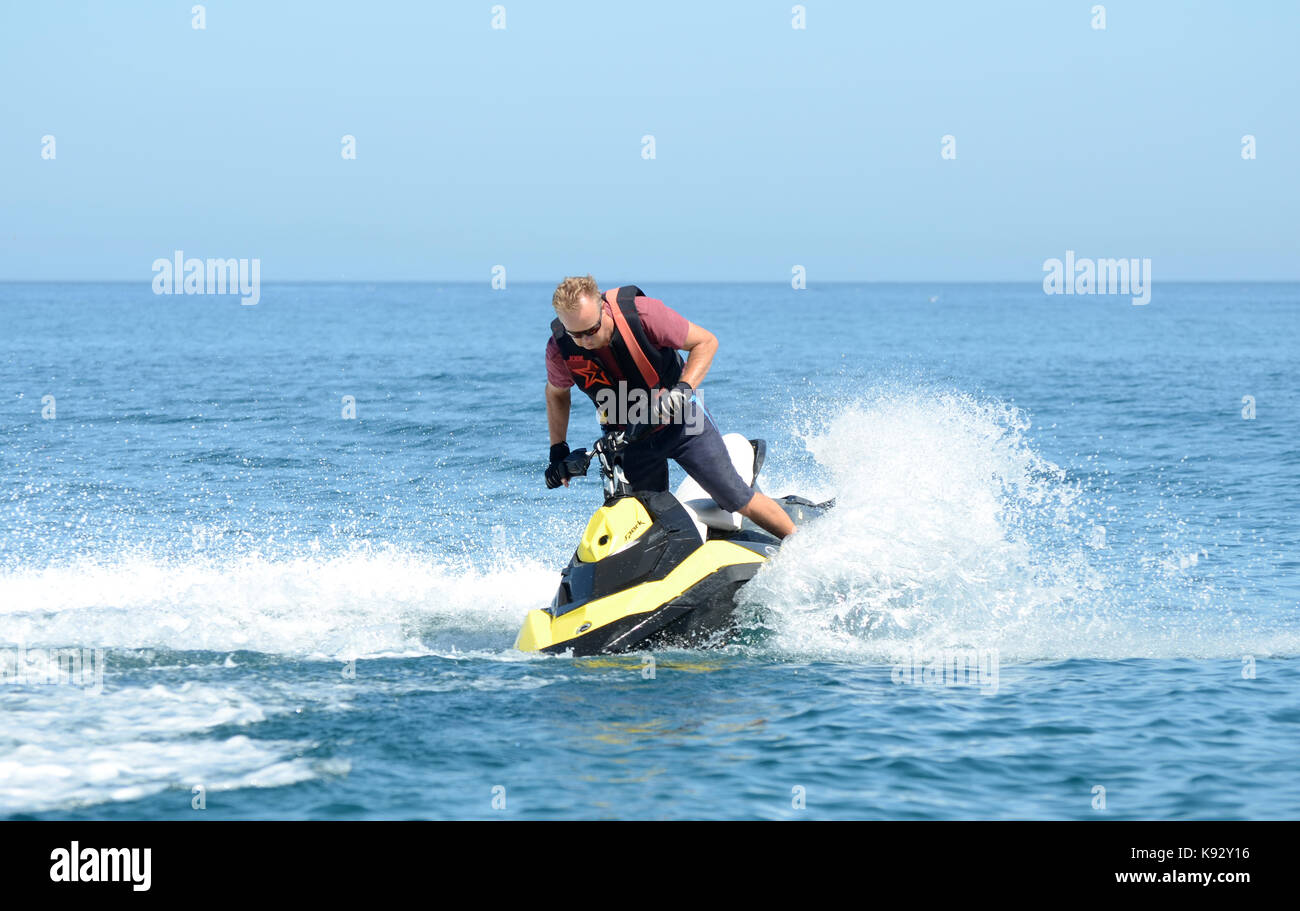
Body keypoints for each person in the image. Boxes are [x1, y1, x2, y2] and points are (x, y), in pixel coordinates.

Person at [543, 274, 796, 539]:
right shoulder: (558, 350)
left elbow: (706, 342)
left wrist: (681, 392)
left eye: (592, 330)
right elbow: (557, 394)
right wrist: (558, 450)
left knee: (735, 497)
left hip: (683, 424)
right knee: (639, 521)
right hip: (630, 439)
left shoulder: (643, 315)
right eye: (576, 335)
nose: (585, 341)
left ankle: (799, 540)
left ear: (602, 308)